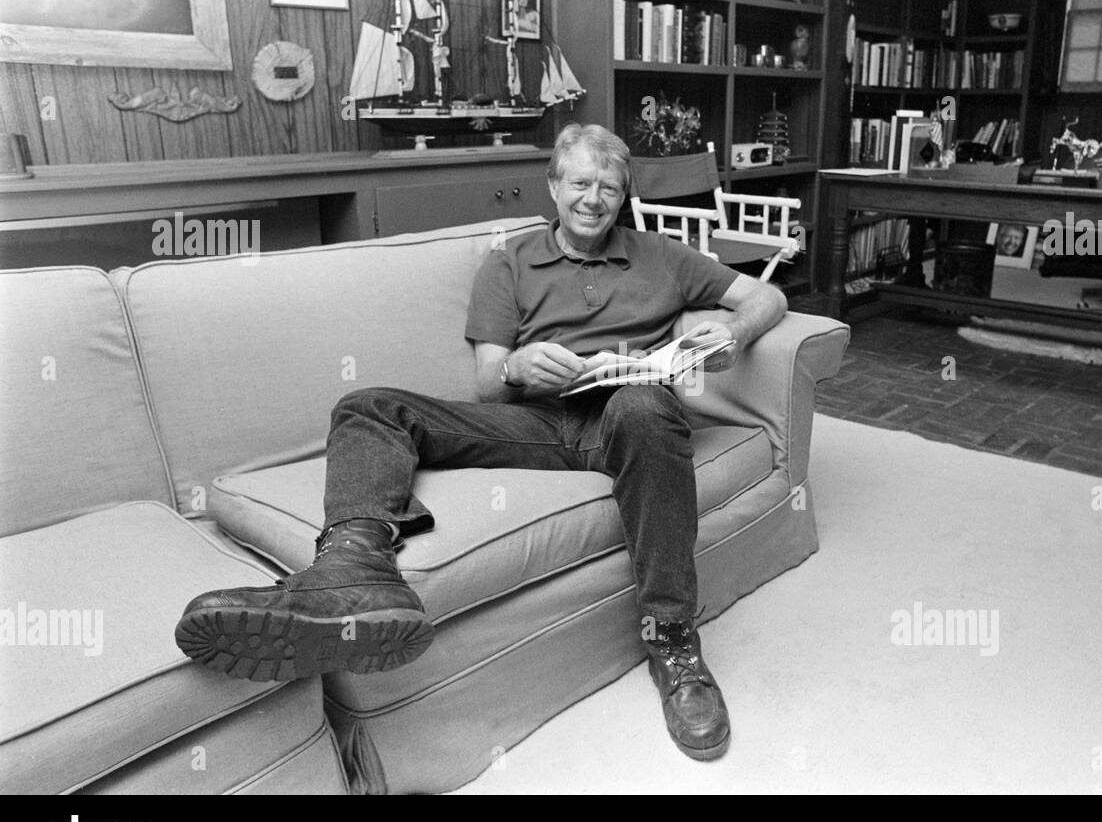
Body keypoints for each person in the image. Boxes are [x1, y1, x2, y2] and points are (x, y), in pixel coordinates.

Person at [174, 124, 788, 762]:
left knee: (641, 405)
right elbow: (489, 385)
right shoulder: (510, 262)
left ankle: (673, 641)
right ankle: (351, 572)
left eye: (608, 187)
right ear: (554, 187)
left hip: (631, 421)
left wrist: (733, 336)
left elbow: (766, 294)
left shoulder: (663, 255)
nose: (593, 199)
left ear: (623, 194)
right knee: (369, 405)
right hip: (536, 423)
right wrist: (519, 367)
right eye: (579, 183)